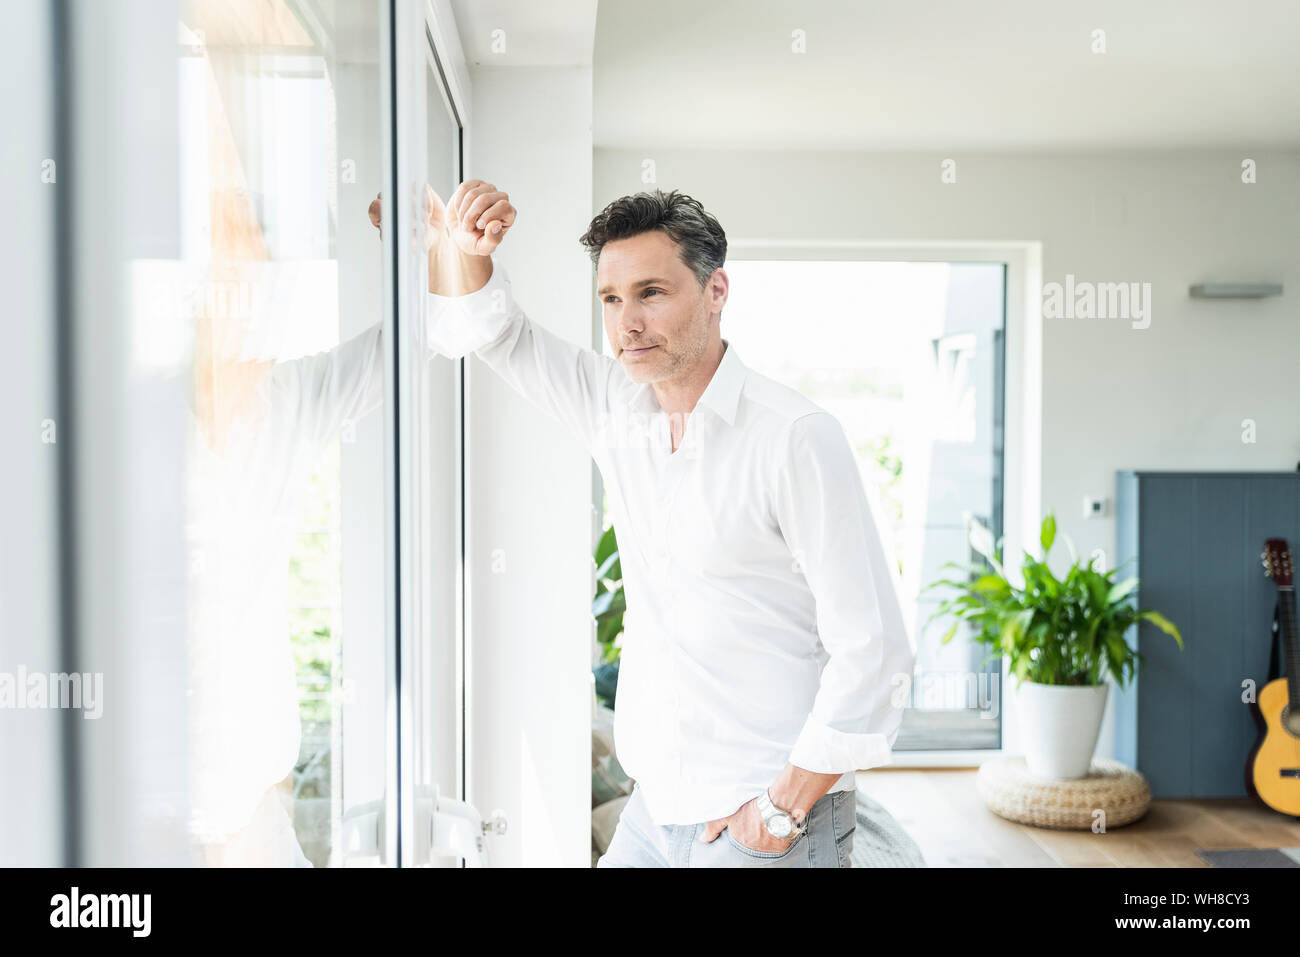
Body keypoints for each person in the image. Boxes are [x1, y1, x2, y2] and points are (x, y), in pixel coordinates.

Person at [376, 179, 916, 867]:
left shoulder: (796, 437)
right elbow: (500, 337)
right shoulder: (616, 407)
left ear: (716, 291)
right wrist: (462, 251)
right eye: (611, 298)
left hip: (766, 813)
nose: (626, 323)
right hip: (655, 808)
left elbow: (874, 650)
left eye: (651, 293)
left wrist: (780, 809)